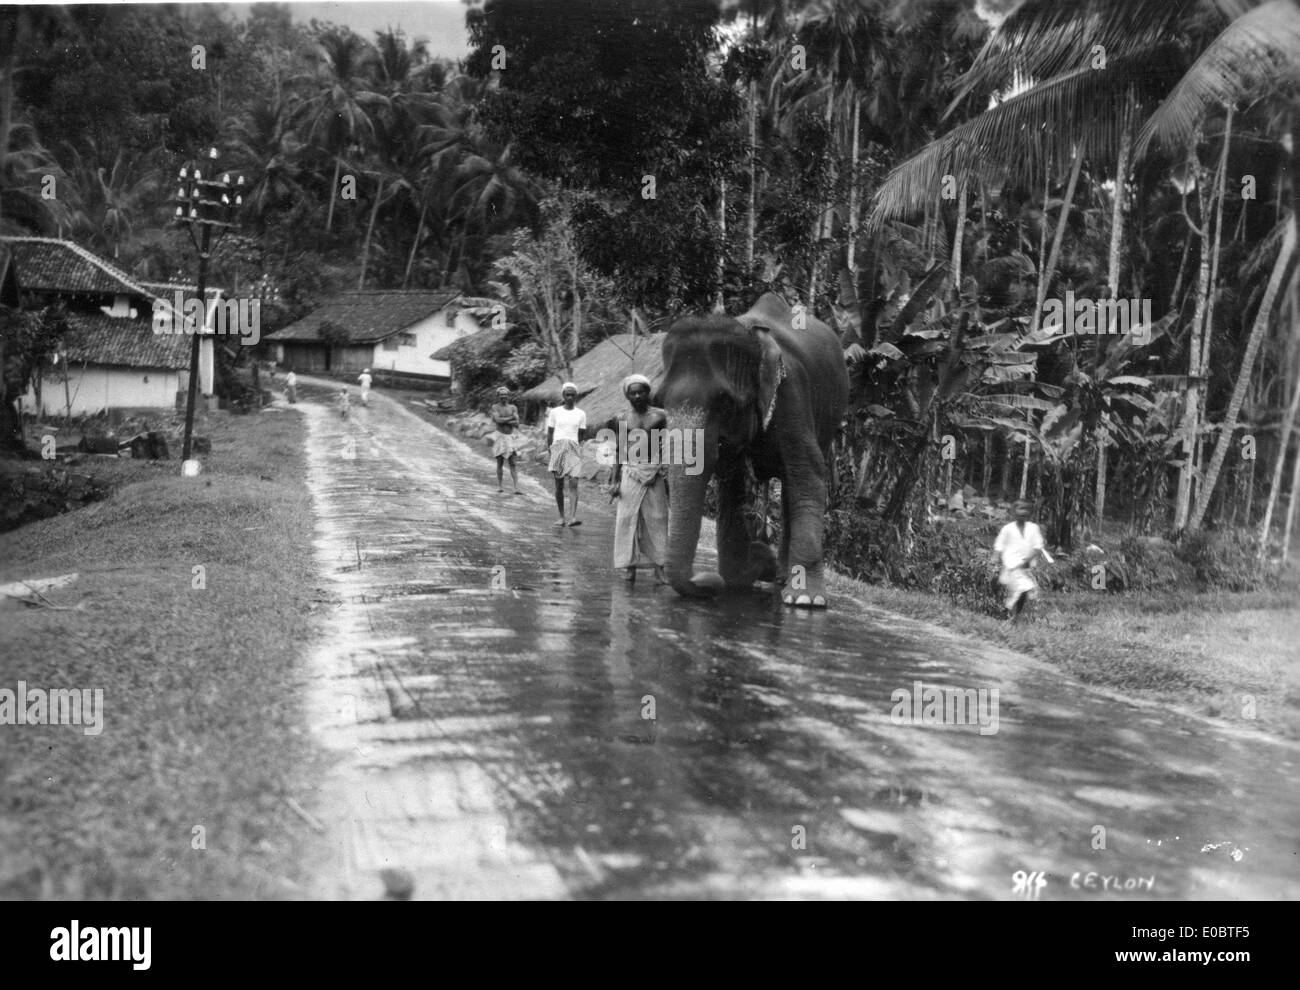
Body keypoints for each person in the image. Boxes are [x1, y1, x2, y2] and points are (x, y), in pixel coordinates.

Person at [603, 374, 668, 584]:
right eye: (633, 393)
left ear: (648, 393)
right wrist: (614, 480)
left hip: (654, 471)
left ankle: (660, 568)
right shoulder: (622, 418)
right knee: (626, 518)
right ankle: (628, 567)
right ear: (627, 396)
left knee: (657, 518)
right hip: (630, 471)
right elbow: (620, 450)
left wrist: (666, 467)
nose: (638, 395)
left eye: (641, 391)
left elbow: (668, 444)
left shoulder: (661, 416)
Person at [993, 499, 1053, 620]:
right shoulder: (1007, 529)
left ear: (1030, 512)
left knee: (1023, 591)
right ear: (1013, 512)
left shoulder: (1033, 528)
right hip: (1011, 565)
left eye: (1026, 509)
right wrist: (994, 557)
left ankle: (1011, 613)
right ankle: (1007, 610)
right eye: (1020, 509)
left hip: (1026, 566)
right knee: (1021, 588)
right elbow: (999, 545)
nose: (1023, 512)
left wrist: (1028, 559)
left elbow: (1038, 546)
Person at [546, 382, 586, 526]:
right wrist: (551, 450)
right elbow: (550, 433)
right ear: (563, 395)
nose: (570, 397)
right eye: (567, 394)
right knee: (559, 484)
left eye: (572, 395)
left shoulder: (581, 414)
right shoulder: (555, 412)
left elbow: (581, 434)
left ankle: (573, 517)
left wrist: (574, 446)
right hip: (558, 447)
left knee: (574, 482)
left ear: (576, 396)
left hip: (573, 447)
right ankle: (561, 517)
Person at [489, 386, 522, 494]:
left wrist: (505, 421)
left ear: (508, 396)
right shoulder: (495, 407)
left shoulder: (513, 407)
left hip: (510, 437)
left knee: (512, 463)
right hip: (500, 436)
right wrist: (510, 418)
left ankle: (517, 488)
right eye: (501, 394)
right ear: (498, 396)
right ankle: (500, 486)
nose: (503, 396)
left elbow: (517, 423)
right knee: (500, 462)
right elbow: (497, 420)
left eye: (505, 394)